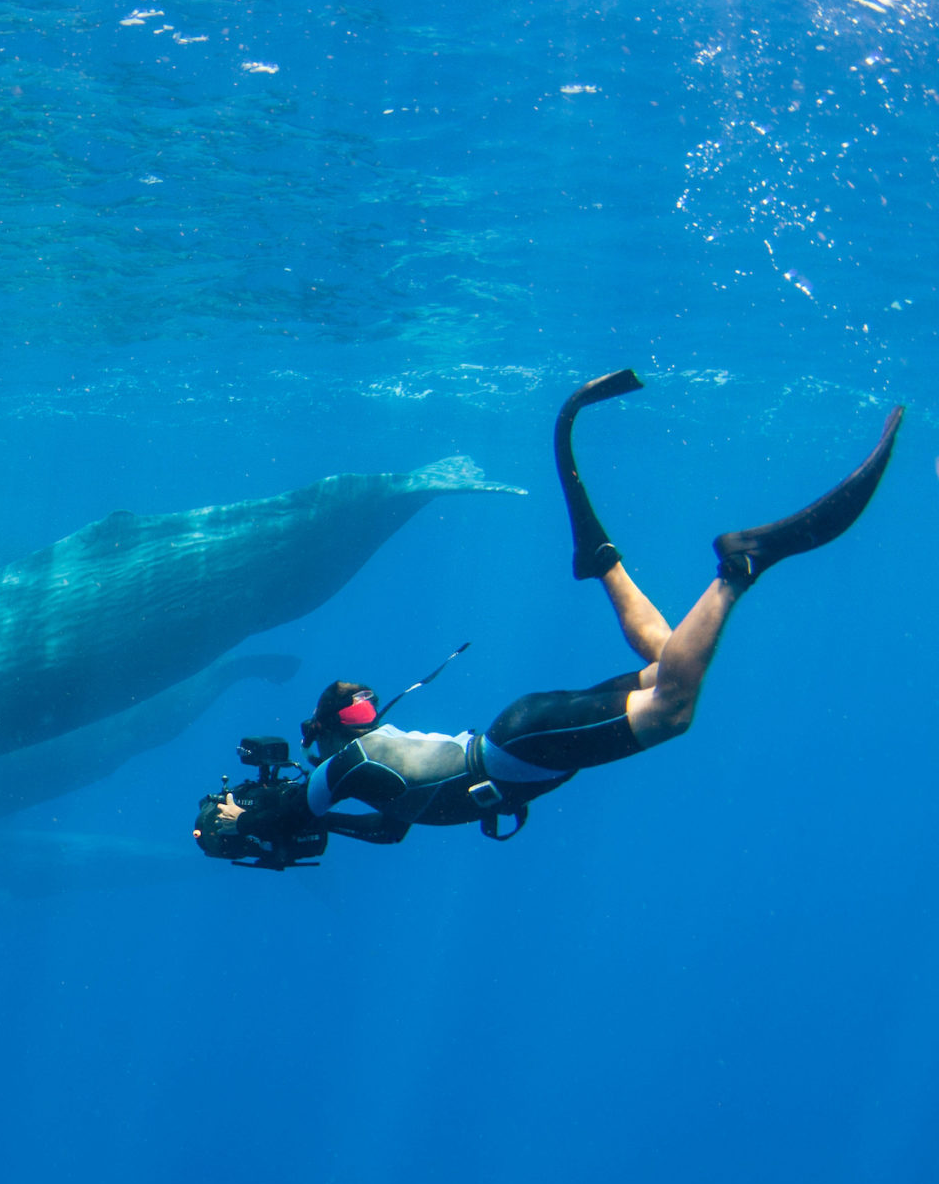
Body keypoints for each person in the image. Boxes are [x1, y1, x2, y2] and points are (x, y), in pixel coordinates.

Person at [196, 370, 902, 863]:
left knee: (672, 708)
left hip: (521, 747)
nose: (352, 726)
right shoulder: (358, 768)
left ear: (326, 737)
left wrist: (238, 818)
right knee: (664, 665)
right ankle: (602, 561)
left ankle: (738, 568)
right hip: (516, 740)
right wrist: (276, 808)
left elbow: (296, 817)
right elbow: (388, 831)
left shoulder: (342, 768)